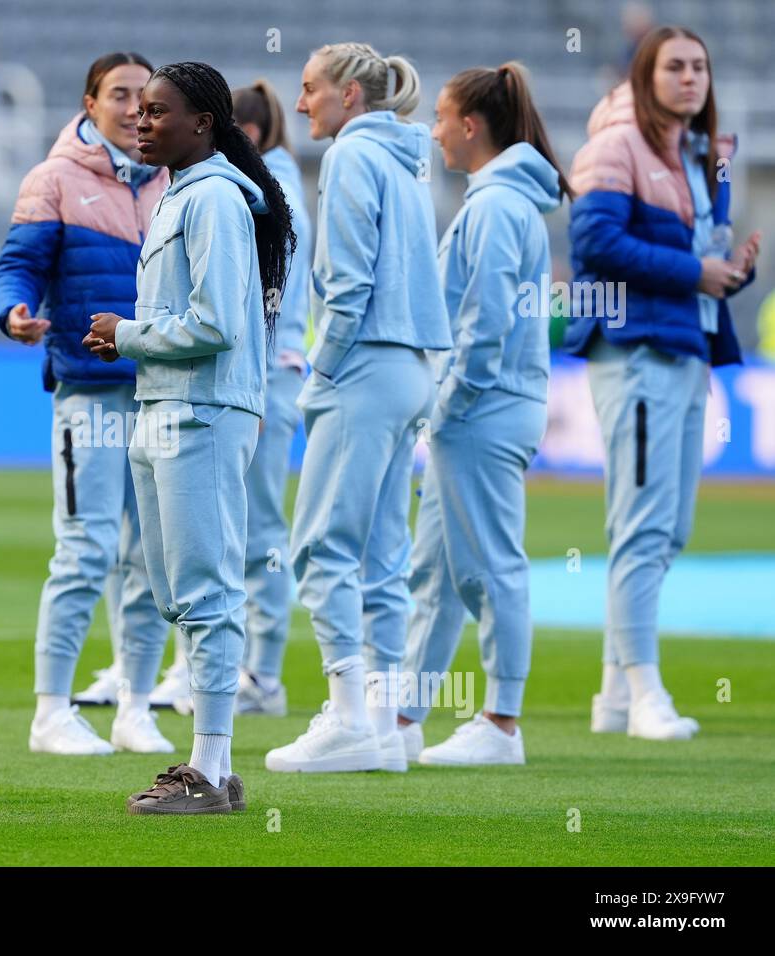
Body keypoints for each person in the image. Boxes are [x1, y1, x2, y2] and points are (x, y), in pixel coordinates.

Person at [84, 61, 294, 814]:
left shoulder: (211, 201)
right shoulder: (181, 194)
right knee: (178, 593)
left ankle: (206, 770)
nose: (142, 122)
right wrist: (132, 343)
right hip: (164, 406)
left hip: (201, 411)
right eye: (138, 111)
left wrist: (130, 332)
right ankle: (214, 765)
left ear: (203, 122)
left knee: (205, 593)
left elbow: (216, 324)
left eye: (158, 112)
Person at [564, 26, 759, 739]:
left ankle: (616, 693)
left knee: (666, 529)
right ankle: (645, 693)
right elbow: (592, 243)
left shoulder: (703, 157)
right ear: (644, 77)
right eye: (675, 66)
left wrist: (730, 269)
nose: (690, 78)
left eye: (700, 66)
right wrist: (694, 272)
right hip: (637, 349)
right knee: (644, 528)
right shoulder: (617, 148)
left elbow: (698, 257)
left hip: (685, 348)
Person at [265, 42, 450, 775]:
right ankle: (384, 724)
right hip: (410, 368)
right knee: (381, 555)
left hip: (365, 364)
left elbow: (347, 284)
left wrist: (322, 368)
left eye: (310, 88)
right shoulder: (405, 159)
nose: (302, 101)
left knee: (322, 548)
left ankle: (347, 719)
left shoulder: (349, 157)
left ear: (348, 93)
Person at [0, 53, 174, 756]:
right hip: (91, 395)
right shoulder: (54, 179)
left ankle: (134, 704)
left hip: (160, 391)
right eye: (119, 95)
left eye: (145, 97)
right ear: (89, 104)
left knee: (152, 559)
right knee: (85, 551)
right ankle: (51, 712)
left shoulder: (176, 177)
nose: (134, 108)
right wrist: (13, 311)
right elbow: (19, 264)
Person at [396, 62, 569, 766]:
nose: (433, 131)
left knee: (492, 568)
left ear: (471, 125)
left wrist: (446, 403)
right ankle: (405, 713)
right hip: (482, 410)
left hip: (484, 413)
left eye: (440, 117)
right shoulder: (497, 203)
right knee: (436, 572)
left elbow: (486, 321)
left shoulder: (496, 207)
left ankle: (500, 722)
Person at [226, 79, 311, 717]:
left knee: (259, 529)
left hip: (268, 377)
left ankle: (264, 672)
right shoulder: (276, 189)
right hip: (272, 373)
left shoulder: (268, 196)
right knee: (250, 526)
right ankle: (250, 665)